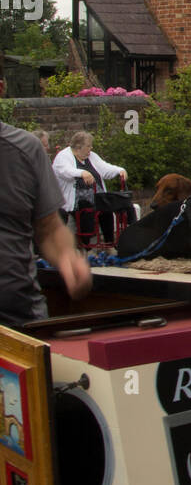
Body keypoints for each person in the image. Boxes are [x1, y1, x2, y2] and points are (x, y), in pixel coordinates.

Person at [0, 83, 92, 328]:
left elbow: (50, 228)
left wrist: (66, 257)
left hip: (19, 319)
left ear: (0, 89)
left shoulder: (25, 149)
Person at [52, 131, 127, 242]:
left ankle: (110, 242)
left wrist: (119, 170)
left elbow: (104, 168)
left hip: (96, 196)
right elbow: (65, 171)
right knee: (88, 208)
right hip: (76, 199)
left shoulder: (91, 156)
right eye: (88, 146)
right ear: (78, 147)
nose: (91, 148)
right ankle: (86, 243)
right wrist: (81, 173)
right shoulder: (63, 156)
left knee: (108, 206)